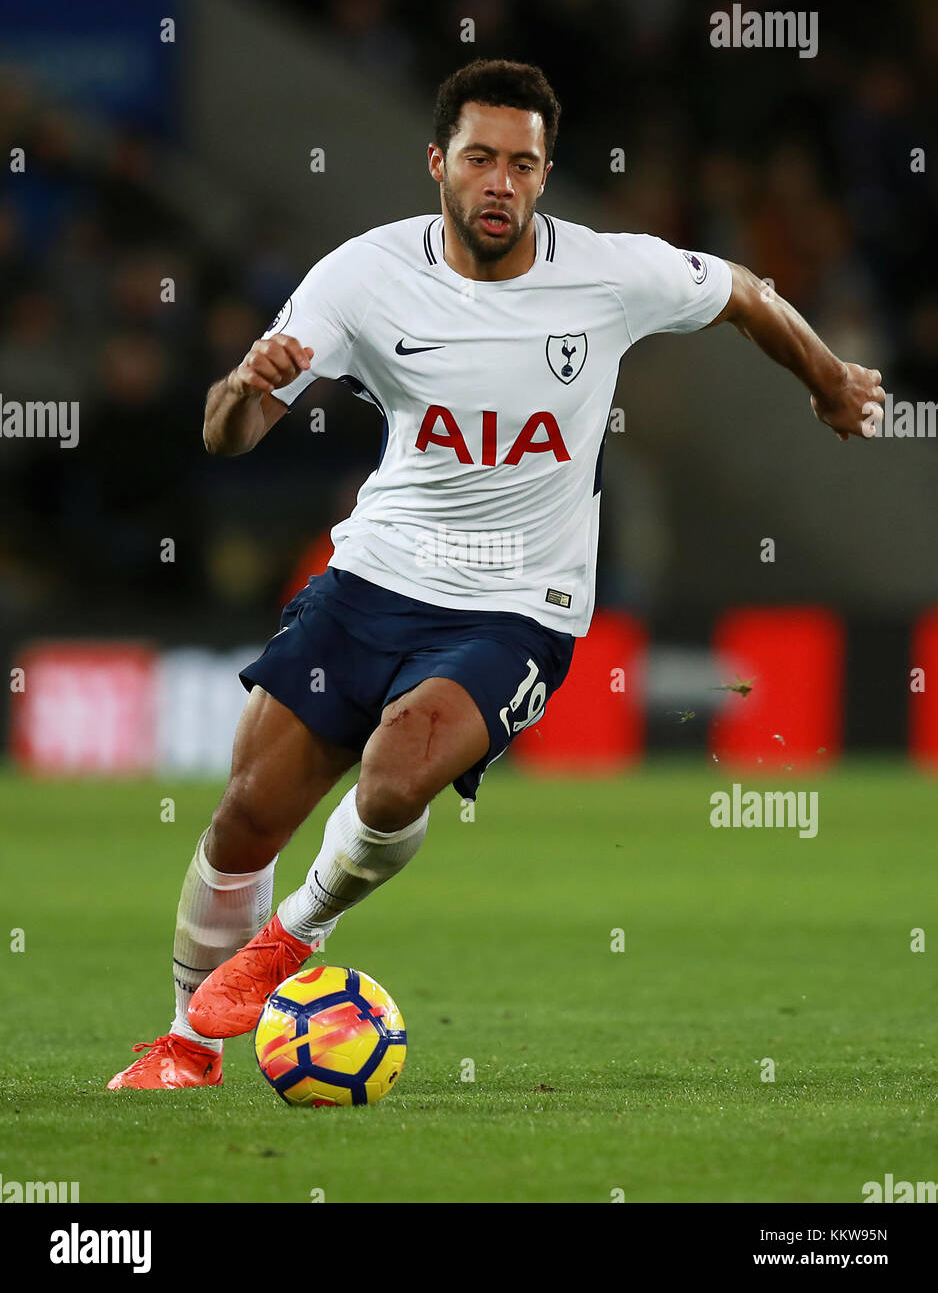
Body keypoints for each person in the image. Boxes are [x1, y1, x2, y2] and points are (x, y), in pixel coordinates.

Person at [107, 58, 884, 1089]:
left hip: (519, 602)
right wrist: (246, 389)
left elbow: (743, 293)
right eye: (479, 158)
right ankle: (185, 1044)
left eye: (522, 164)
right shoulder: (359, 277)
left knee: (397, 771)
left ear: (544, 174)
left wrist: (828, 379)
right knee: (247, 813)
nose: (500, 183)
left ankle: (293, 934)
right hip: (376, 573)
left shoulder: (607, 273)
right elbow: (227, 435)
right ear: (438, 163)